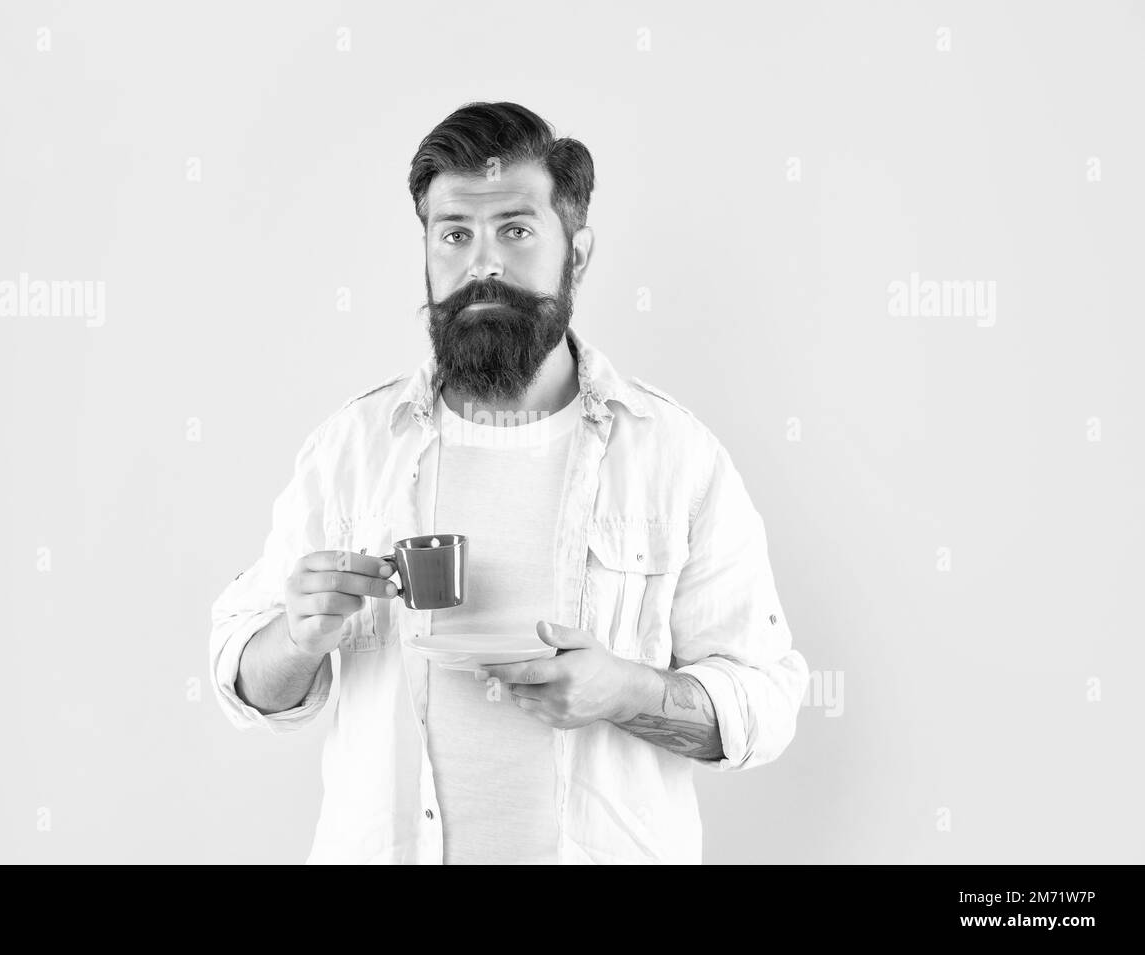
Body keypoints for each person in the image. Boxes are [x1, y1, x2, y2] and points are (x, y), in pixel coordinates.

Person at [209, 102, 808, 864]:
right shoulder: (351, 449)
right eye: (454, 233)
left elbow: (769, 700)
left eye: (515, 231)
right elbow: (243, 675)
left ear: (578, 254)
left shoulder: (673, 456)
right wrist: (295, 638)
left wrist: (626, 692)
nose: (481, 263)